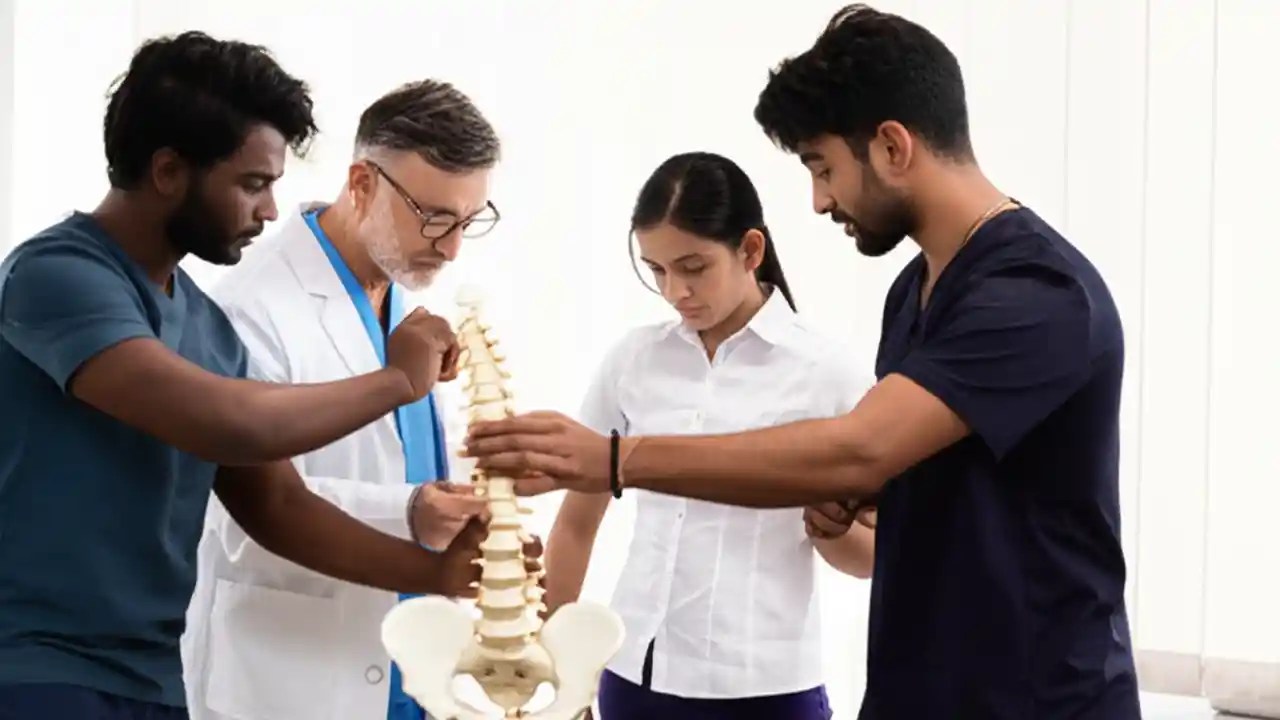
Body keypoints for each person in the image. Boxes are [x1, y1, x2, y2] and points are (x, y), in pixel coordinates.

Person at [463, 5, 1141, 720]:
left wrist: (615, 459)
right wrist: (859, 507)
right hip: (920, 688)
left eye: (824, 168)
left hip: (1036, 699)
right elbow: (919, 481)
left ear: (892, 146)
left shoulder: (1036, 293)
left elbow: (860, 447)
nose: (818, 201)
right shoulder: (914, 293)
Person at [0, 32, 493, 720]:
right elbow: (231, 423)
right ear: (169, 171)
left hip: (150, 677)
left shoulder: (204, 326)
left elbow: (277, 505)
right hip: (40, 667)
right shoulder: (56, 276)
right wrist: (396, 382)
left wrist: (440, 572)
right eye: (253, 184)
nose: (268, 209)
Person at [181, 79, 503, 720]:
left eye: (468, 222)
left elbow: (400, 466)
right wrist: (410, 513)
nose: (451, 247)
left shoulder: (405, 299)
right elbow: (238, 510)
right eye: (435, 217)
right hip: (293, 683)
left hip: (413, 675)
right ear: (362, 184)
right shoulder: (250, 310)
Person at [542, 151, 874, 720]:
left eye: (693, 267)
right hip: (634, 677)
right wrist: (558, 676)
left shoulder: (827, 373)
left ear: (751, 250)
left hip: (768, 690)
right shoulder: (633, 360)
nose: (675, 291)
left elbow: (874, 556)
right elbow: (576, 524)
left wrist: (830, 529)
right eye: (657, 271)